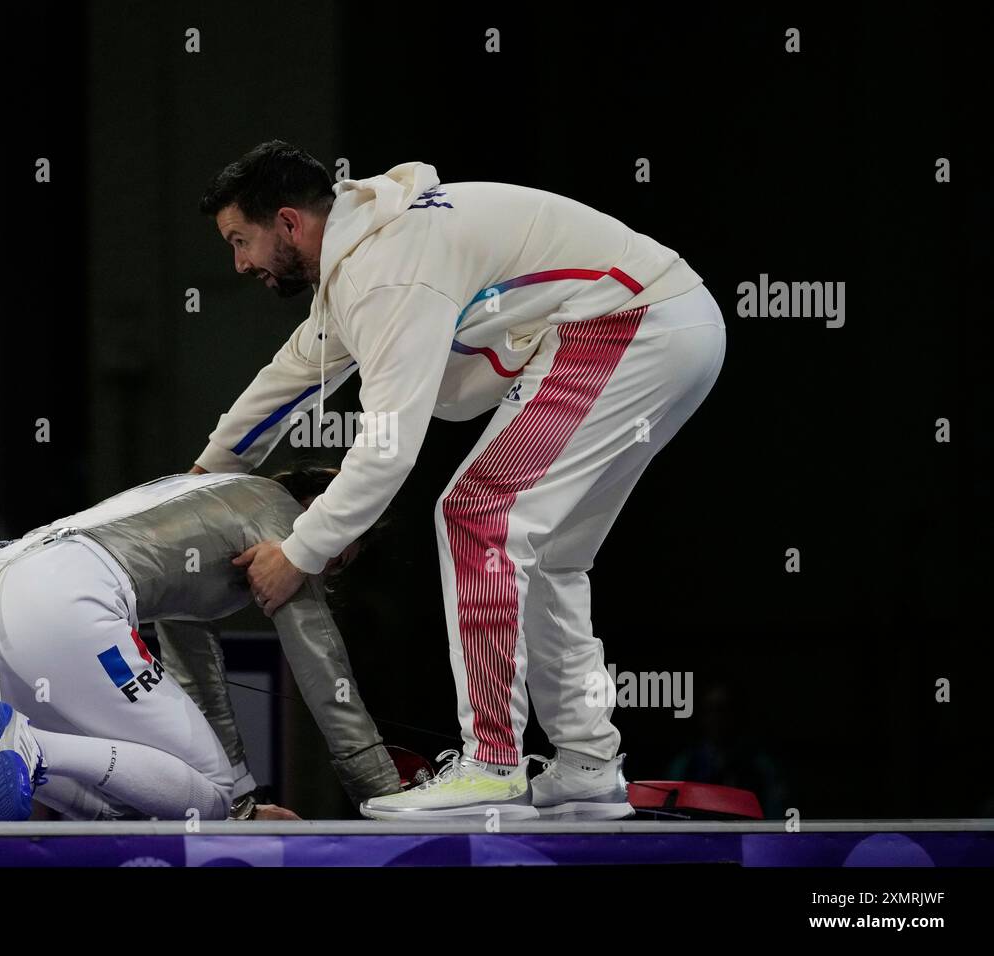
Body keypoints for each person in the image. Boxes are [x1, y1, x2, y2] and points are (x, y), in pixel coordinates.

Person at [193, 141, 726, 820]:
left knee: (478, 514)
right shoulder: (369, 252)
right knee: (551, 554)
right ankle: (588, 763)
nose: (239, 263)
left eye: (242, 241)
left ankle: (492, 765)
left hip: (630, 322)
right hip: (661, 321)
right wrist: (205, 474)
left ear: (290, 222)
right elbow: (290, 378)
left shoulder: (387, 274)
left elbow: (387, 447)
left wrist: (299, 553)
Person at [0, 469, 402, 823]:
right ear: (322, 506)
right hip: (62, 598)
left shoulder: (220, 500)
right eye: (336, 551)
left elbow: (197, 669)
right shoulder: (281, 515)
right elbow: (320, 661)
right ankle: (32, 747)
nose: (325, 571)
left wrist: (243, 804)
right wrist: (383, 795)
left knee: (117, 803)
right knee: (203, 800)